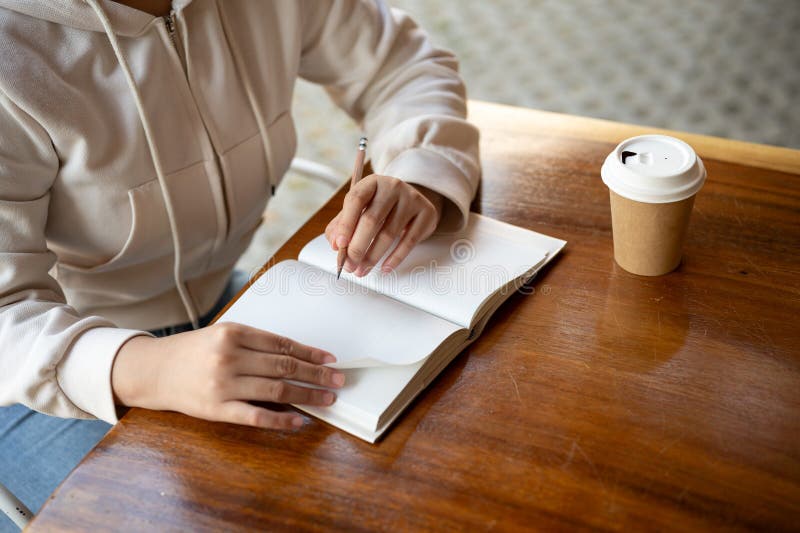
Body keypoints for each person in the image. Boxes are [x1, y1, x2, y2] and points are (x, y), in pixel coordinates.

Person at [0, 0, 480, 519]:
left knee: (410, 467)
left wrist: (418, 174)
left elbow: (402, 64)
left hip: (228, 308)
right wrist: (151, 368)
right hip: (47, 375)